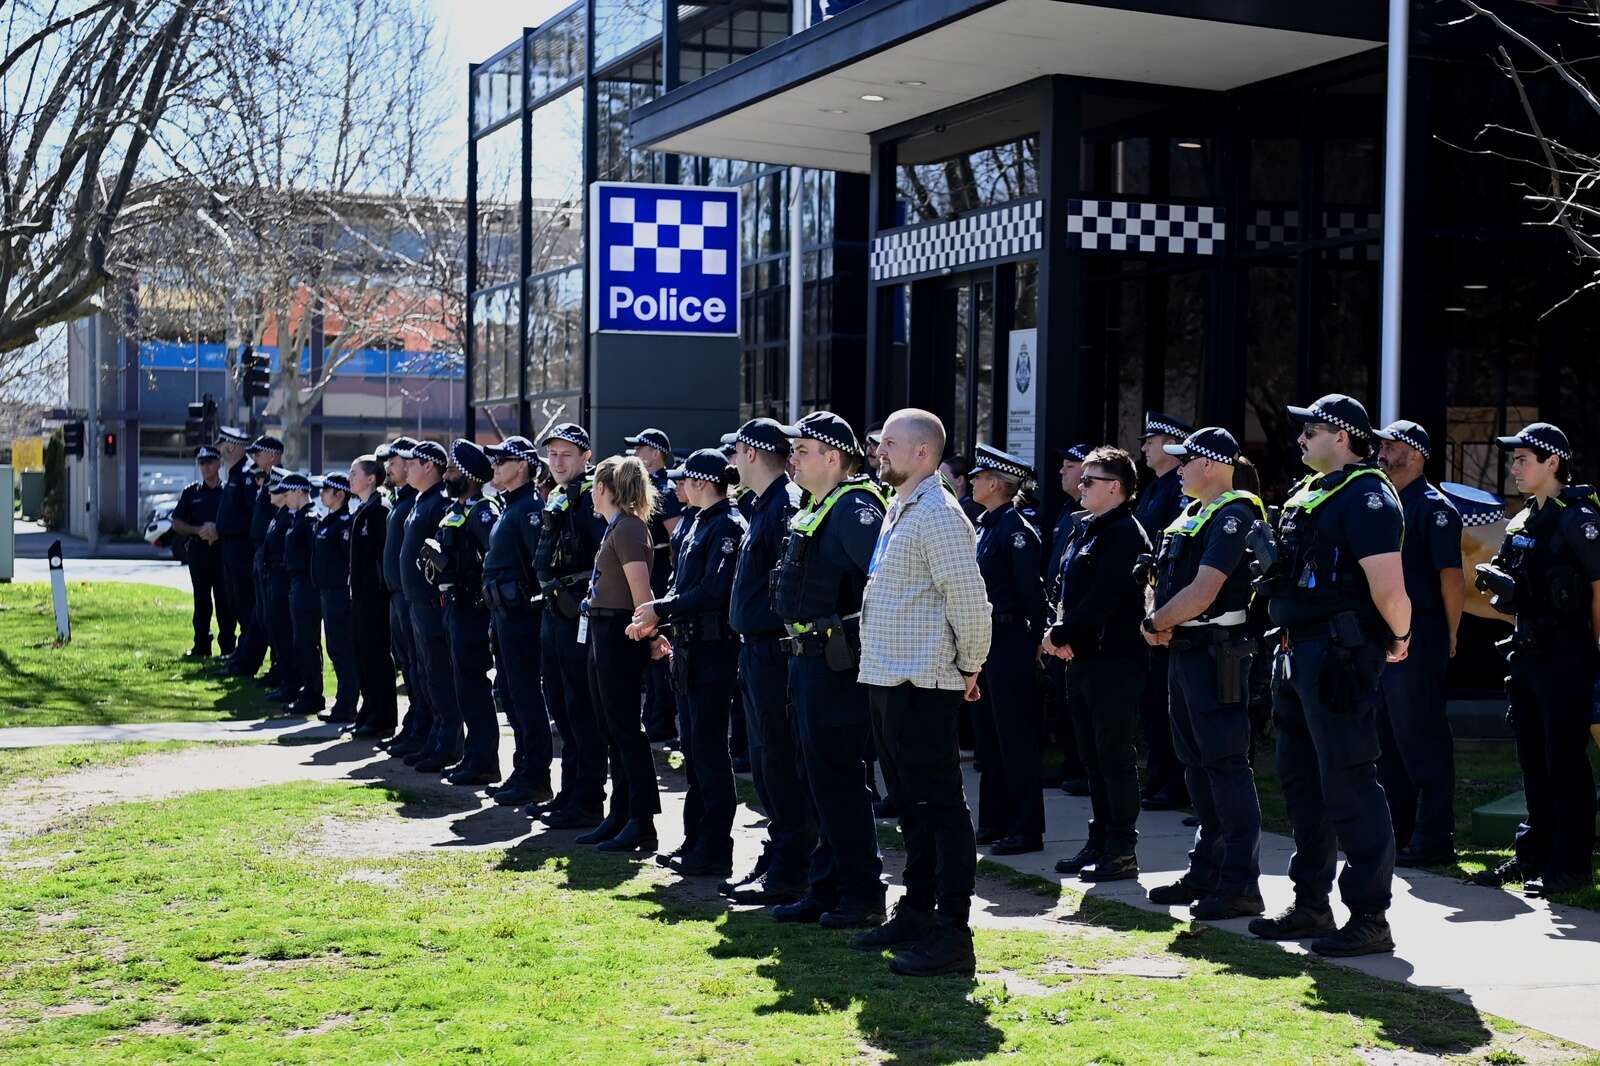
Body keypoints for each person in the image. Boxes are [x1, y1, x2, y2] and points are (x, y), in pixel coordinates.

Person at [1248, 393, 1410, 958]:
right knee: (1302, 783)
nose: (1299, 439)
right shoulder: (1313, 490)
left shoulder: (1368, 496)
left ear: (1342, 436)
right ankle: (1311, 904)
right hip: (1296, 651)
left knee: (1349, 779)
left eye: (1310, 430)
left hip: (1338, 654)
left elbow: (1389, 588)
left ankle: (1369, 916)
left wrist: (1399, 637)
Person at [855, 409, 992, 977]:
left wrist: (970, 666)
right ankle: (916, 911)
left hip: (923, 681)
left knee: (939, 809)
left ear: (922, 453)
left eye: (889, 443)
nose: (879, 451)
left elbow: (970, 600)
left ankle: (953, 934)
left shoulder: (938, 512)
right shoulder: (901, 505)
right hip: (888, 676)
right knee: (910, 806)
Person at [1141, 427, 1267, 920]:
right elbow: (1160, 579)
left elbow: (1205, 588)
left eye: (1185, 460)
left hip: (1218, 653)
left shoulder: (1235, 514)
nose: (1178, 469)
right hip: (1184, 649)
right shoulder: (1193, 513)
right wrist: (1157, 620)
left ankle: (1239, 882)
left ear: (1210, 464)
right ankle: (1207, 869)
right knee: (1195, 763)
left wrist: (1155, 623)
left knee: (1225, 765)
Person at [1471, 422, 1600, 897]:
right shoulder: (1524, 519)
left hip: (1568, 656)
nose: (1514, 467)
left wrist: (1595, 655)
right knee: (1532, 761)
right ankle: (1533, 857)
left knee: (1565, 761)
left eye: (1524, 459)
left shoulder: (1579, 518)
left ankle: (1571, 865)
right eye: (1514, 459)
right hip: (1527, 653)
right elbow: (1516, 587)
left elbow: (1599, 590)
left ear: (1553, 463)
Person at [770, 411, 887, 930]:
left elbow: (884, 586)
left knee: (839, 780)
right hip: (808, 660)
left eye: (801, 450)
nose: (791, 459)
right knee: (815, 777)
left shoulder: (855, 508)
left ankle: (862, 893)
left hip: (837, 665)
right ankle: (825, 888)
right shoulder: (818, 506)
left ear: (833, 457)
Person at [633, 449, 747, 877]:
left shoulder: (727, 525)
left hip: (713, 651)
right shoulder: (697, 522)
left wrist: (660, 609)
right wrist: (663, 621)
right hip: (687, 647)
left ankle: (715, 847)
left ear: (701, 482)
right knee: (694, 750)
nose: (678, 486)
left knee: (710, 751)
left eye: (684, 480)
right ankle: (694, 838)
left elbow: (713, 592)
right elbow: (681, 583)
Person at [1043, 447, 1151, 883]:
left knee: (1114, 756)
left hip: (1114, 662)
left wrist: (1061, 634)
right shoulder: (1087, 528)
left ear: (1115, 487)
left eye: (1090, 480)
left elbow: (1104, 599)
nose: (1080, 485)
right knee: (1090, 755)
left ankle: (1122, 848)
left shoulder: (1124, 534)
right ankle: (1101, 837)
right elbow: (1065, 591)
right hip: (1083, 658)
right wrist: (1060, 632)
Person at [721, 417, 815, 905]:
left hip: (775, 650)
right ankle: (778, 856)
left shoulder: (784, 507)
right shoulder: (763, 505)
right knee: (764, 761)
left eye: (736, 451)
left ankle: (791, 868)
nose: (732, 460)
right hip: (755, 648)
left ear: (752, 454)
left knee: (779, 761)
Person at [1374, 420, 1464, 866]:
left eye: (1391, 445)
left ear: (1416, 454)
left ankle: (1433, 839)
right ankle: (1401, 832)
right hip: (1385, 632)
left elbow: (1451, 577)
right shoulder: (1383, 501)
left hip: (1421, 631)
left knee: (1421, 734)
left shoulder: (1435, 508)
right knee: (1389, 738)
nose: (1382, 452)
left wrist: (1451, 632)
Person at [578, 454, 663, 854]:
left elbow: (641, 591)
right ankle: (621, 813)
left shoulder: (628, 527)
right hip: (603, 629)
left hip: (619, 632)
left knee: (626, 729)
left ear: (603, 489)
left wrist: (651, 635)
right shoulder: (616, 527)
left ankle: (641, 820)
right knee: (610, 727)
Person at [967, 443, 1046, 855]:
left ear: (997, 484)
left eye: (979, 477)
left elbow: (1031, 593)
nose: (972, 482)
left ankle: (1025, 828)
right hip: (987, 641)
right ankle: (994, 821)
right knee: (990, 739)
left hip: (1010, 639)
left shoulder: (1015, 530)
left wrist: (1036, 641)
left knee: (1015, 738)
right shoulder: (987, 526)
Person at [533, 423, 610, 829]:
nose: (558, 462)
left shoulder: (593, 498)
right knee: (560, 707)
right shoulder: (559, 495)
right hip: (554, 613)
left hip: (577, 614)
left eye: (567, 455)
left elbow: (605, 558)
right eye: (553, 454)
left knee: (582, 710)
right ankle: (570, 792)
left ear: (586, 457)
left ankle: (588, 798)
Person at [481, 435, 553, 807]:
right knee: (509, 694)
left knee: (525, 696)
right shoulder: (510, 506)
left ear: (522, 465)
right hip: (503, 615)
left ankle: (536, 776)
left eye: (501, 460)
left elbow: (538, 567)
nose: (494, 466)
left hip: (522, 617)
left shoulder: (528, 509)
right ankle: (522, 769)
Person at [434, 439, 503, 785]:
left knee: (474, 686)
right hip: (454, 607)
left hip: (473, 609)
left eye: (451, 470)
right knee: (462, 686)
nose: (446, 476)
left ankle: (485, 761)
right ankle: (472, 756)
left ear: (468, 476)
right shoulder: (457, 510)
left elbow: (494, 556)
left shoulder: (483, 511)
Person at [1135, 411, 1193, 812]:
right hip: (1151, 602)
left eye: (1151, 441)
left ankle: (1174, 784)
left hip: (1169, 605)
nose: (1144, 448)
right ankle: (1158, 778)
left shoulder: (1178, 490)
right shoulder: (1155, 488)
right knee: (1154, 703)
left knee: (1167, 702)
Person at [399, 440, 462, 771]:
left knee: (438, 672)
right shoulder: (420, 500)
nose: (406, 468)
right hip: (415, 600)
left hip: (431, 601)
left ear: (429, 466)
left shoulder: (439, 502)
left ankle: (447, 743)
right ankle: (433, 737)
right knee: (424, 672)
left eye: (413, 463)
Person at [627, 427, 685, 745]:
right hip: (647, 575)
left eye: (641, 448)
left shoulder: (665, 488)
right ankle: (652, 716)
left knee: (659, 650)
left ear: (655, 452)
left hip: (660, 576)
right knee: (646, 652)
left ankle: (661, 720)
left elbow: (676, 536)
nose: (636, 453)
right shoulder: (646, 486)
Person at [1044, 443, 1094, 796]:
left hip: (1078, 627)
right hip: (1058, 620)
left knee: (1081, 707)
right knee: (1063, 703)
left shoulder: (1097, 517)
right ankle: (1070, 765)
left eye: (1070, 465)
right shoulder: (1067, 510)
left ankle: (1083, 769)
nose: (1062, 471)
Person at [381, 438, 432, 756]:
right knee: (409, 665)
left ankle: (423, 730)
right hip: (399, 594)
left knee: (420, 665)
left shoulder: (419, 500)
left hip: (414, 596)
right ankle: (414, 725)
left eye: (397, 461)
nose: (390, 467)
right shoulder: (405, 500)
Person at [346, 453, 396, 741]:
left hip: (375, 598)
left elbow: (382, 556)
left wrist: (378, 589)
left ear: (371, 479)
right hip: (361, 596)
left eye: (355, 473)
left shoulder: (380, 510)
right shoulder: (363, 509)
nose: (350, 478)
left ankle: (383, 717)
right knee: (362, 654)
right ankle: (369, 711)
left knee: (377, 655)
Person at [169, 445, 232, 658]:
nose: (205, 467)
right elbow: (177, 523)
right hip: (199, 552)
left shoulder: (228, 491)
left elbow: (239, 520)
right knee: (201, 600)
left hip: (222, 553)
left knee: (225, 600)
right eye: (202, 463)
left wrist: (218, 531)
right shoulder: (191, 492)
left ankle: (228, 648)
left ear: (219, 464)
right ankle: (201, 645)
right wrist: (198, 530)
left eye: (209, 462)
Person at [310, 473, 358, 724]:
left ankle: (347, 704)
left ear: (340, 494)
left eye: (326, 490)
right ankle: (343, 701)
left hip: (339, 594)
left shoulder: (344, 523)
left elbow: (348, 561)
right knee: (334, 649)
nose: (322, 494)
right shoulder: (328, 521)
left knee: (342, 650)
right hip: (326, 592)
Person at [209, 427, 255, 674]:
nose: (220, 451)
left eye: (222, 445)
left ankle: (246, 659)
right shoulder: (235, 473)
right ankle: (241, 652)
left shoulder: (246, 475)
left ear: (233, 446)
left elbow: (251, 514)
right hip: (229, 547)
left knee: (244, 603)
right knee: (234, 602)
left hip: (241, 548)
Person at [280, 472, 325, 716]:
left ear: (299, 492)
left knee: (307, 642)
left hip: (307, 586)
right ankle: (307, 690)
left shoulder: (309, 519)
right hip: (297, 584)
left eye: (287, 493)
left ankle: (313, 694)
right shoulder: (297, 517)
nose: (284, 498)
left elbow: (314, 556)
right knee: (300, 642)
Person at [259, 469, 298, 703]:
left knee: (284, 632)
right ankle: (282, 678)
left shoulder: (288, 518)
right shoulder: (279, 515)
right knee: (276, 629)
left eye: (275, 490)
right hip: (273, 577)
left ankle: (290, 683)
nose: (270, 493)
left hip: (282, 580)